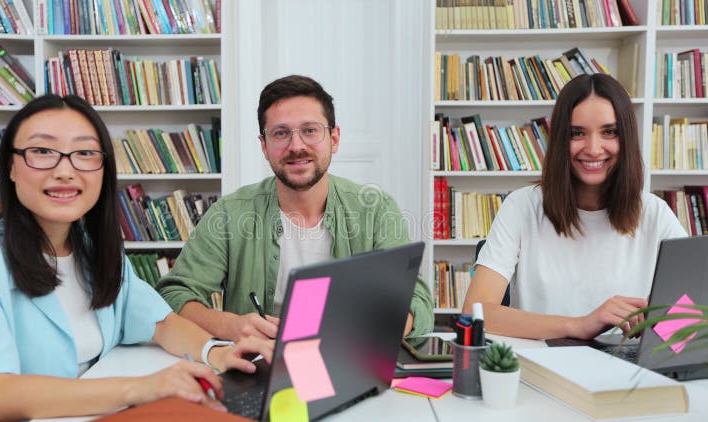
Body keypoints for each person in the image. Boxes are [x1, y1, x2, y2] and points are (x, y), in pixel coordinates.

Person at [0, 95, 272, 422]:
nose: (65, 170)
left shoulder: (95, 247)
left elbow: (161, 323)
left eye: (85, 153)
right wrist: (144, 387)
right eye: (42, 151)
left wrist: (216, 353)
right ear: (11, 166)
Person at [157, 75, 434, 342]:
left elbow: (416, 301)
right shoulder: (229, 214)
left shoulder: (376, 210)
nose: (296, 146)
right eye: (281, 133)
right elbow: (175, 293)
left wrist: (371, 329)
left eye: (310, 130)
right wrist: (229, 325)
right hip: (255, 363)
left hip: (349, 361)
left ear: (334, 139)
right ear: (264, 146)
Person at [462, 73, 687, 340]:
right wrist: (579, 325)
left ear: (626, 138)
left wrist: (660, 320)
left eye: (609, 132)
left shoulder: (655, 214)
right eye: (577, 133)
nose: (593, 149)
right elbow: (475, 311)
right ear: (559, 140)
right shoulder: (521, 207)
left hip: (626, 372)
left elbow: (696, 317)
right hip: (543, 370)